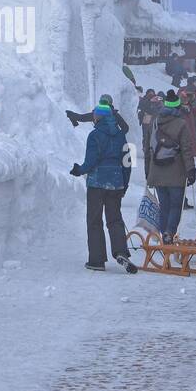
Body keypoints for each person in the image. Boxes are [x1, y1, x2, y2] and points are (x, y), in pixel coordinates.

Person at [71, 104, 137, 273]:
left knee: (94, 221)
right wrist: (125, 184)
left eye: (94, 115)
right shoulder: (121, 136)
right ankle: (121, 252)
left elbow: (91, 161)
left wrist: (79, 170)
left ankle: (97, 260)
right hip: (116, 183)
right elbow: (127, 163)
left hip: (97, 183)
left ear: (98, 117)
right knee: (115, 220)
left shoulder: (94, 136)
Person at [148, 90, 196, 244]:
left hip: (157, 171)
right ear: (177, 107)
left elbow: (148, 147)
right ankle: (169, 232)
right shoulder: (181, 124)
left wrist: (147, 171)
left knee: (164, 206)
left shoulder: (155, 122)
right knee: (176, 206)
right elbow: (186, 149)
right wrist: (191, 169)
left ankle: (164, 235)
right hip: (176, 172)